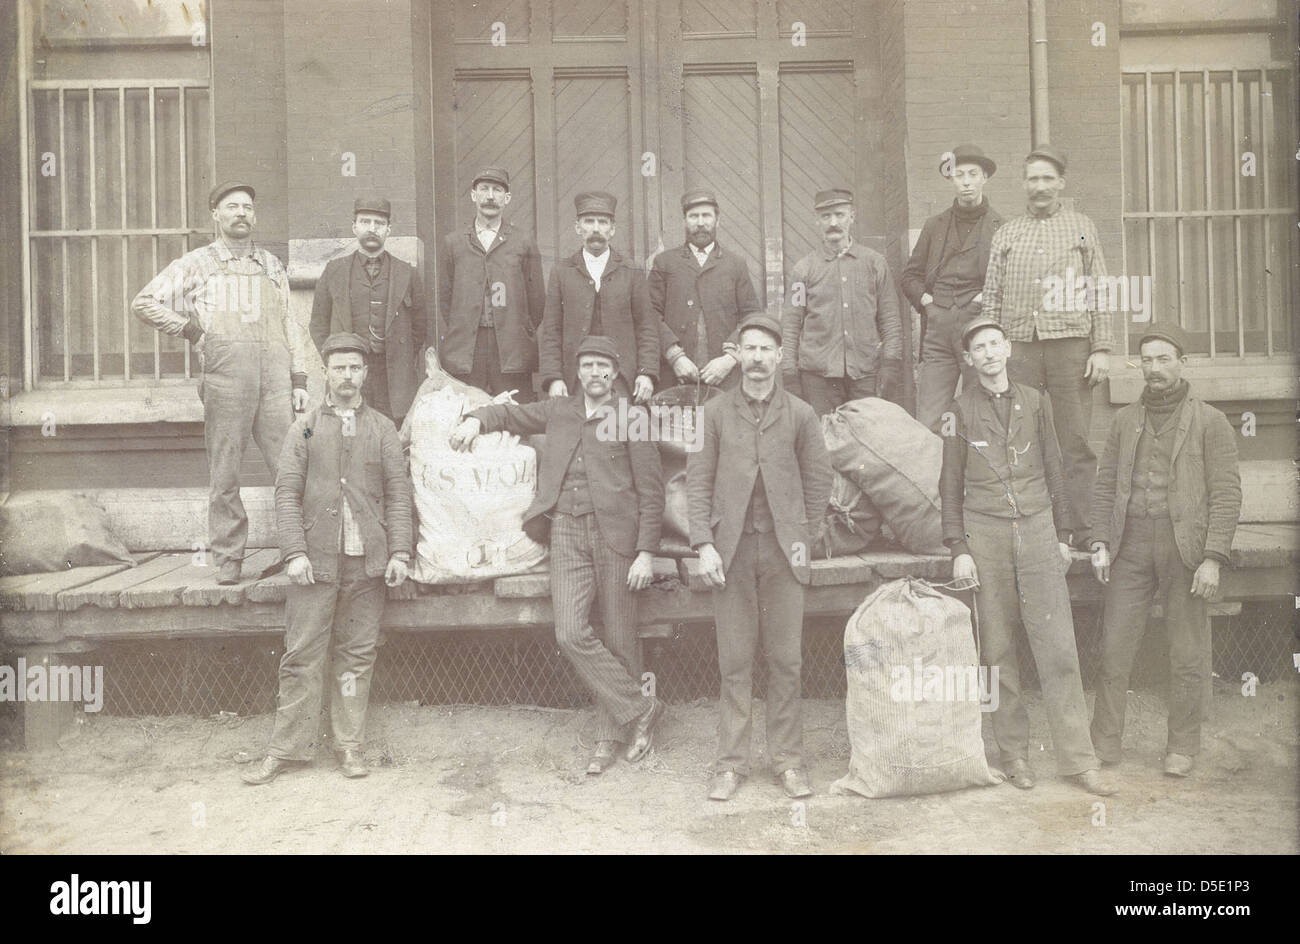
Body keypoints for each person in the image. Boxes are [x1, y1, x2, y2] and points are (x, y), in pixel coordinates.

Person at [449, 336, 665, 774]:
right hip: (565, 529)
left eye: (604, 366)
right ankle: (642, 709)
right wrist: (475, 419)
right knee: (569, 631)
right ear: (577, 371)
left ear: (616, 371)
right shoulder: (559, 410)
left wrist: (645, 552)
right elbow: (509, 412)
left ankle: (608, 737)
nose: (596, 373)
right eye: (587, 365)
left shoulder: (631, 416)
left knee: (621, 638)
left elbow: (651, 490)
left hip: (616, 535)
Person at [939, 316, 1116, 796]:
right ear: (970, 358)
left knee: (1058, 646)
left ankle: (1078, 759)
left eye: (996, 343)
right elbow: (949, 486)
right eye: (980, 347)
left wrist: (1063, 533)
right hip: (986, 534)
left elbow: (1056, 467)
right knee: (996, 651)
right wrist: (959, 547)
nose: (990, 352)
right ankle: (1013, 755)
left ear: (1008, 349)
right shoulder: (957, 411)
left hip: (1038, 529)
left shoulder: (1037, 401)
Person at [242, 332, 413, 785]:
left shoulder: (382, 428)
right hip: (314, 564)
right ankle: (286, 750)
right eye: (339, 367)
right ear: (327, 373)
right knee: (301, 655)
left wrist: (398, 550)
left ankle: (349, 746)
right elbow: (286, 494)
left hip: (366, 562)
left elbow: (398, 494)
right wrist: (294, 552)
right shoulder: (306, 428)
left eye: (355, 367)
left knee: (356, 656)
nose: (347, 376)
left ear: (365, 374)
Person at [132, 180, 310, 586]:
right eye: (232, 207)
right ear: (216, 215)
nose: (241, 213)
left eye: (247, 206)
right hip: (226, 380)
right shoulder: (197, 263)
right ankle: (229, 560)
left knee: (292, 469)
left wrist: (299, 378)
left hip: (276, 383)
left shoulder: (271, 264)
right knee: (225, 475)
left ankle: (296, 552)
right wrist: (190, 330)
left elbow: (291, 324)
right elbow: (144, 302)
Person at [687, 313, 833, 801]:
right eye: (747, 349)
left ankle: (788, 762)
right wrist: (703, 543)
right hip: (728, 551)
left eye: (765, 350)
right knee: (734, 662)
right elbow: (697, 481)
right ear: (738, 357)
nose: (756, 358)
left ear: (779, 358)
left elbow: (818, 481)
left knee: (786, 660)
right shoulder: (714, 413)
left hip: (783, 552)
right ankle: (730, 764)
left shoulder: (801, 414)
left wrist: (805, 537)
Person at [1088, 323, 1241, 777]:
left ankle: (1182, 746)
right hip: (1130, 545)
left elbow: (1226, 495)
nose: (1154, 369)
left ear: (1182, 362)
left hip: (1185, 549)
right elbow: (1104, 487)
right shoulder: (1124, 420)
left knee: (1186, 652)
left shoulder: (1210, 421)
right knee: (1115, 648)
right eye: (1147, 360)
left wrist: (1212, 557)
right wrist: (1099, 541)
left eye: (1163, 359)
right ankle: (1104, 745)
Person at [981, 145, 1111, 545]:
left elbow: (1100, 290)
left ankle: (1085, 528)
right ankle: (1039, 525)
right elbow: (991, 297)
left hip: (1070, 346)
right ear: (1024, 185)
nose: (1040, 186)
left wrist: (1102, 347)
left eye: (1047, 179)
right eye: (1033, 179)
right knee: (1022, 437)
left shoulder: (1081, 227)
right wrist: (993, 349)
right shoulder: (1007, 233)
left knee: (1073, 439)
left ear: (1060, 184)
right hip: (1019, 348)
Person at [901, 144, 1004, 433]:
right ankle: (933, 479)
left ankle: (976, 479)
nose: (967, 182)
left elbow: (1007, 280)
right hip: (938, 329)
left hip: (978, 328)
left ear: (985, 177)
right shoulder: (935, 225)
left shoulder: (1000, 227)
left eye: (973, 174)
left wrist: (985, 300)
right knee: (929, 419)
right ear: (951, 180)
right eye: (959, 175)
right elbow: (910, 276)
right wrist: (927, 303)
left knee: (979, 415)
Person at [781, 188, 903, 415]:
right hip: (818, 378)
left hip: (865, 374)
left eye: (840, 215)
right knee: (823, 442)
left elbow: (890, 320)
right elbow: (790, 325)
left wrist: (890, 364)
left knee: (866, 438)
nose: (833, 223)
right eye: (825, 216)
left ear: (852, 217)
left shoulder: (875, 264)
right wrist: (789, 374)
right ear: (816, 221)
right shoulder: (803, 271)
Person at [310, 196, 428, 425]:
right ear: (354, 227)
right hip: (349, 371)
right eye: (365, 222)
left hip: (392, 374)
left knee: (391, 433)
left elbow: (420, 326)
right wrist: (337, 356)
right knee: (347, 431)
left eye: (379, 223)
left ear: (388, 230)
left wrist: (398, 355)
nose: (372, 229)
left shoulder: (407, 273)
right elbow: (318, 323)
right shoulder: (334, 270)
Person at [436, 167, 546, 401]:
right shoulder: (453, 243)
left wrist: (517, 330)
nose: (490, 196)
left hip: (510, 349)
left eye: (497, 190)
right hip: (467, 348)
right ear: (473, 195)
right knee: (465, 413)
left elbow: (536, 300)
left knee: (514, 415)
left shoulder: (523, 241)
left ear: (506, 199)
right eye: (484, 189)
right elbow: (445, 299)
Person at [538, 192, 659, 403]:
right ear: (578, 227)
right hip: (575, 378)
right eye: (589, 221)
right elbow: (551, 330)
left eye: (602, 222)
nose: (595, 229)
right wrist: (554, 378)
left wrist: (646, 372)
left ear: (612, 229)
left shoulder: (631, 271)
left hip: (618, 378)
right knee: (578, 429)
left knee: (615, 428)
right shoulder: (562, 271)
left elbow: (647, 327)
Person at [651, 188, 761, 389]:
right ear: (684, 221)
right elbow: (650, 314)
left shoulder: (735, 264)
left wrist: (729, 359)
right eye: (693, 216)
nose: (700, 223)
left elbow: (751, 315)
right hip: (676, 375)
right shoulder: (665, 263)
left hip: (724, 377)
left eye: (706, 216)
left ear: (717, 221)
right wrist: (675, 357)